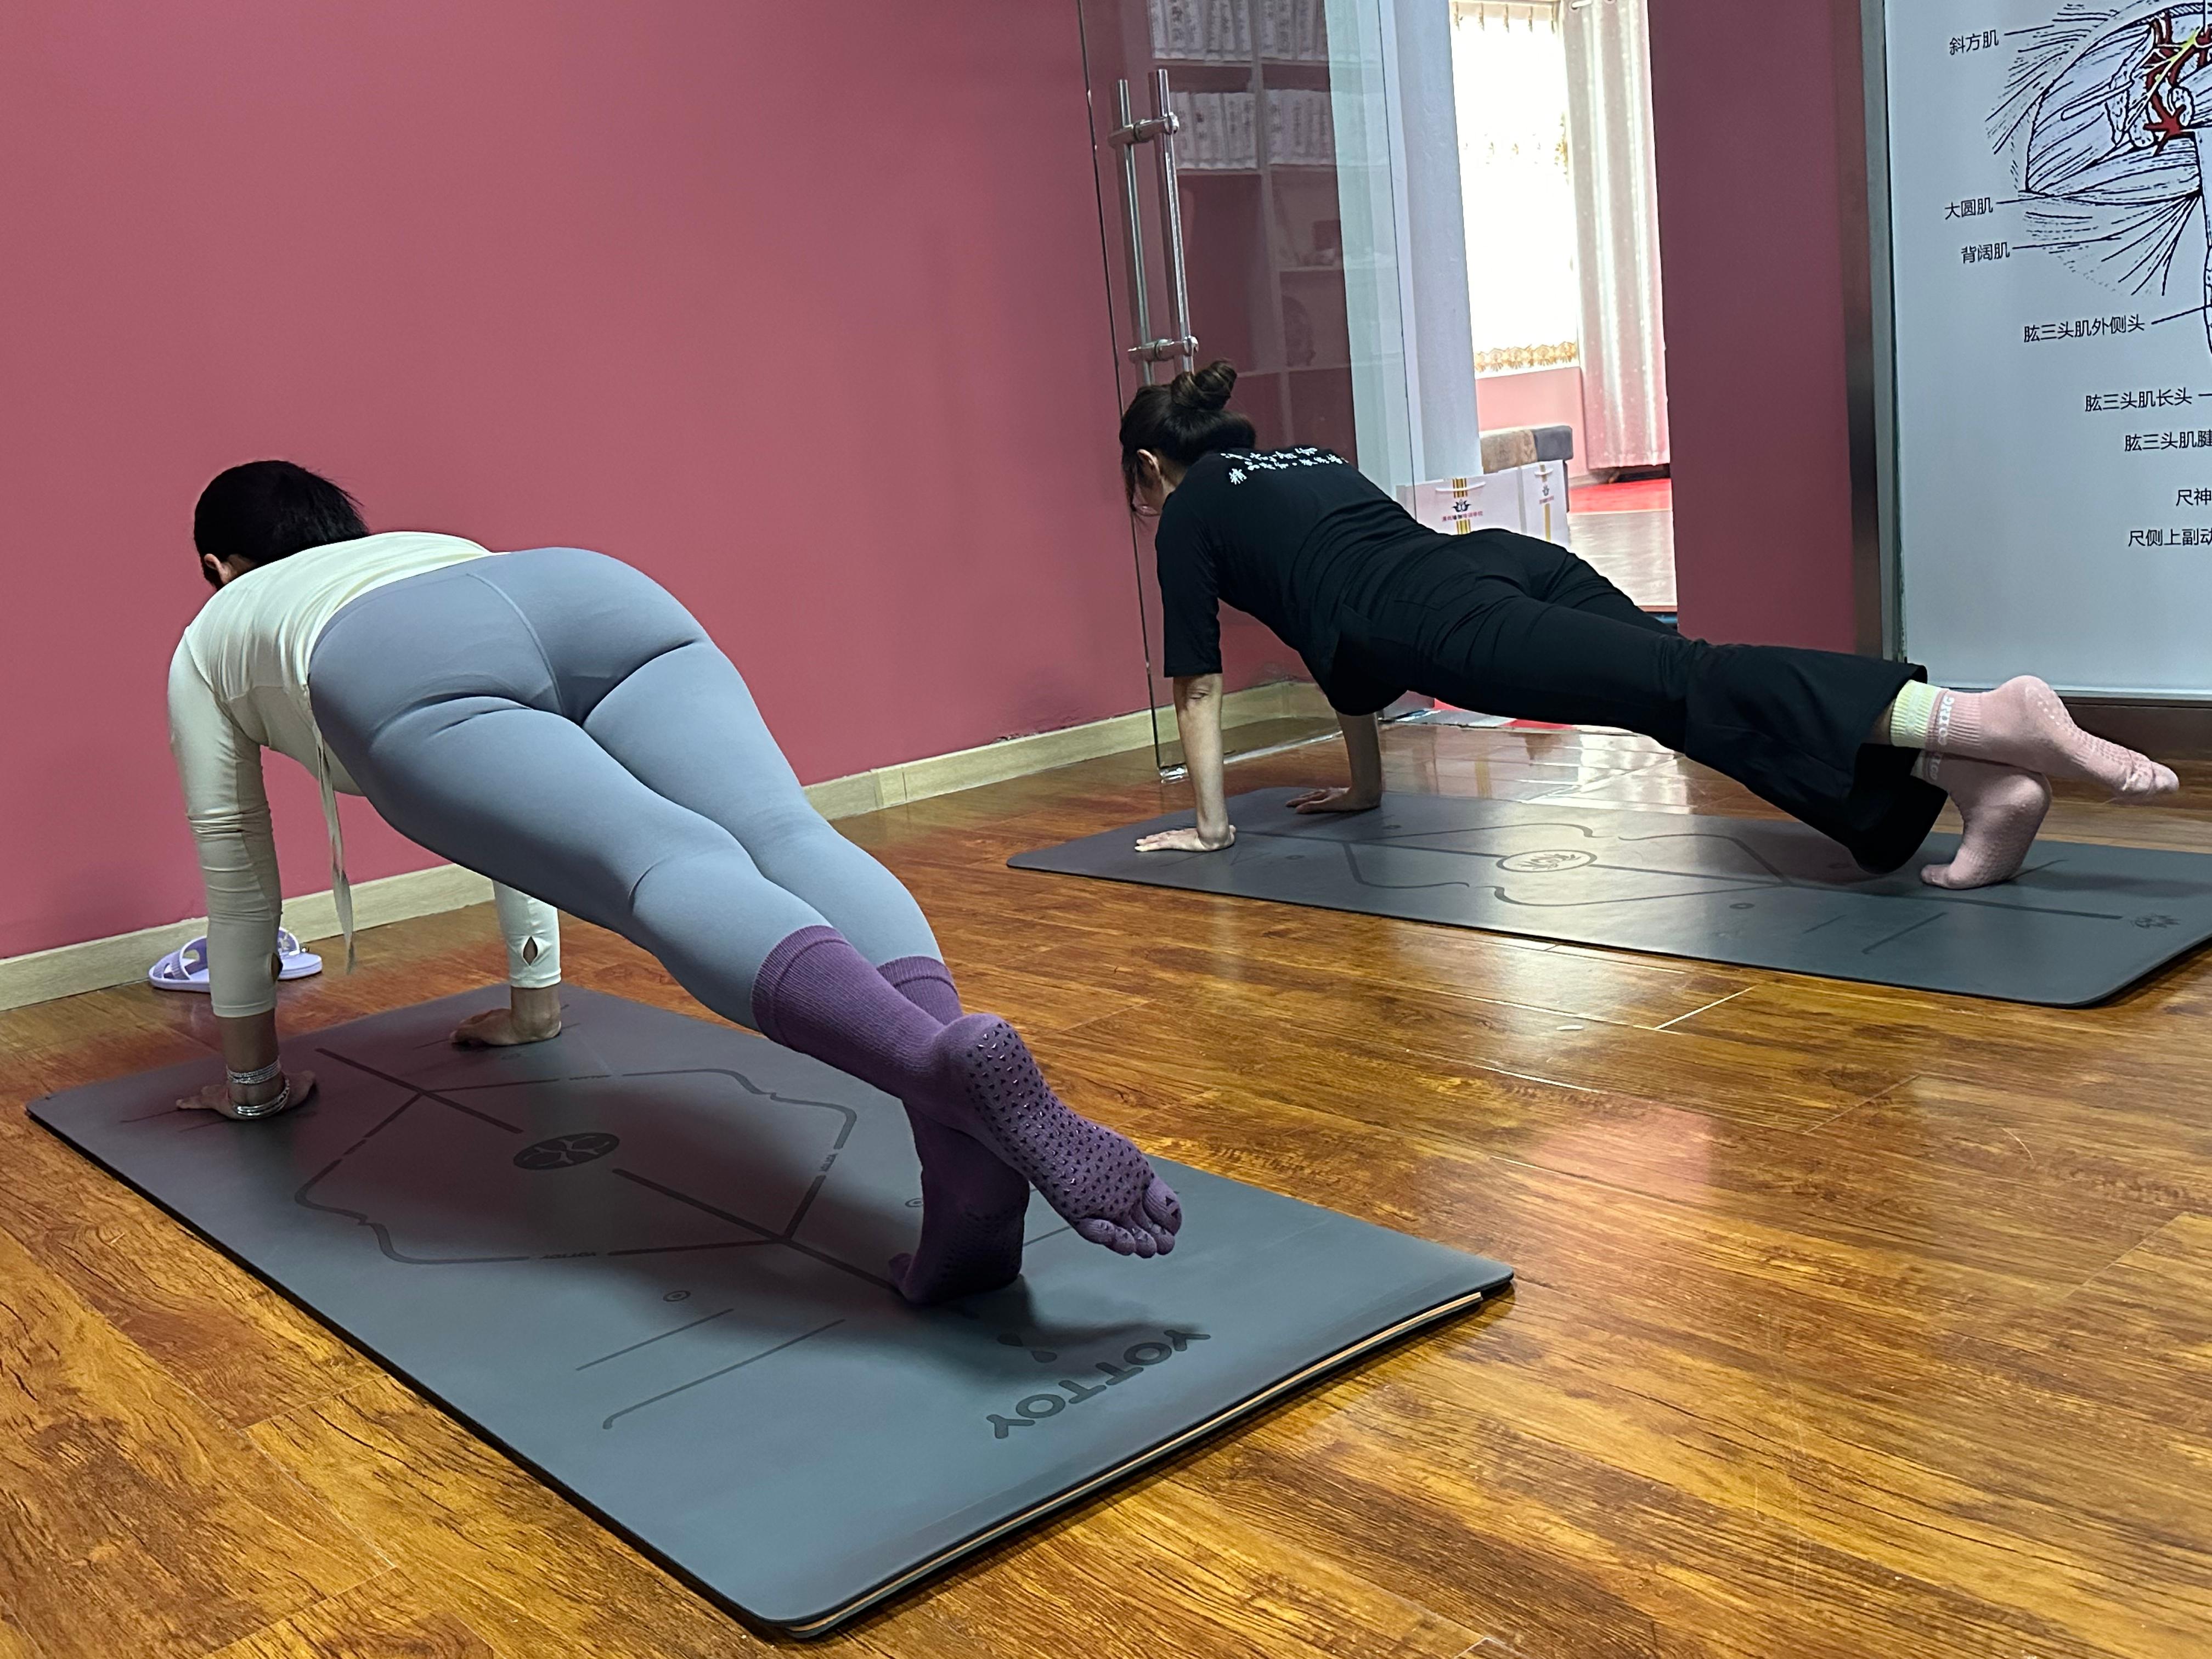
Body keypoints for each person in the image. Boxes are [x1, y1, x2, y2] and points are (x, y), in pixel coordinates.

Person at [166, 460, 1180, 1303]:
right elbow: (514, 839)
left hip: (397, 662)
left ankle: (929, 1067)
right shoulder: (421, 548)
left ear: (219, 566)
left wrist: (254, 1085)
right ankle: (958, 1144)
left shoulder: (218, 631)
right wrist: (531, 1003)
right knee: (784, 831)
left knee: (660, 859)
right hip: (587, 589)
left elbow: (237, 859)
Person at [1121, 362, 2178, 889]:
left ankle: (1982, 718)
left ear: (1150, 466)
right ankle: (1973, 782)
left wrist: (1211, 828)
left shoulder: (1192, 509)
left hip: (1446, 615)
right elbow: (1343, 642)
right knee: (1675, 690)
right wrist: (1364, 786)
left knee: (1683, 680)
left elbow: (1198, 682)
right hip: (1500, 562)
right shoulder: (1307, 460)